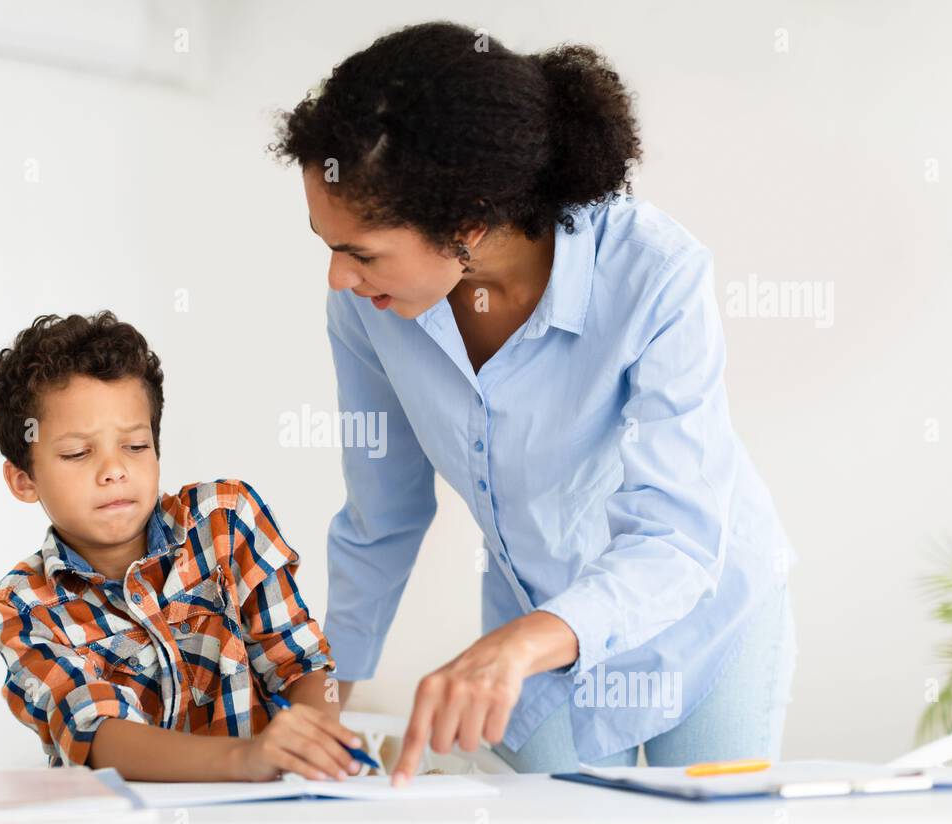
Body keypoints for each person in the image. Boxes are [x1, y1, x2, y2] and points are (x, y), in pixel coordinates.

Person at [271, 21, 799, 783]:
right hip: (534, 634)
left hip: (704, 617)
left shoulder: (656, 275)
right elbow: (380, 516)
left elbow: (678, 540)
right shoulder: (367, 309)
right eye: (328, 246)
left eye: (361, 251)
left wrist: (519, 646)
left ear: (467, 224)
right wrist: (323, 700)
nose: (338, 278)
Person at [0, 311, 362, 782]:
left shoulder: (225, 520)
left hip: (267, 820)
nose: (114, 470)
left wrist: (313, 745)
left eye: (135, 446)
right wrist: (245, 759)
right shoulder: (21, 606)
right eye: (79, 453)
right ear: (23, 480)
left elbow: (297, 661)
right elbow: (95, 732)